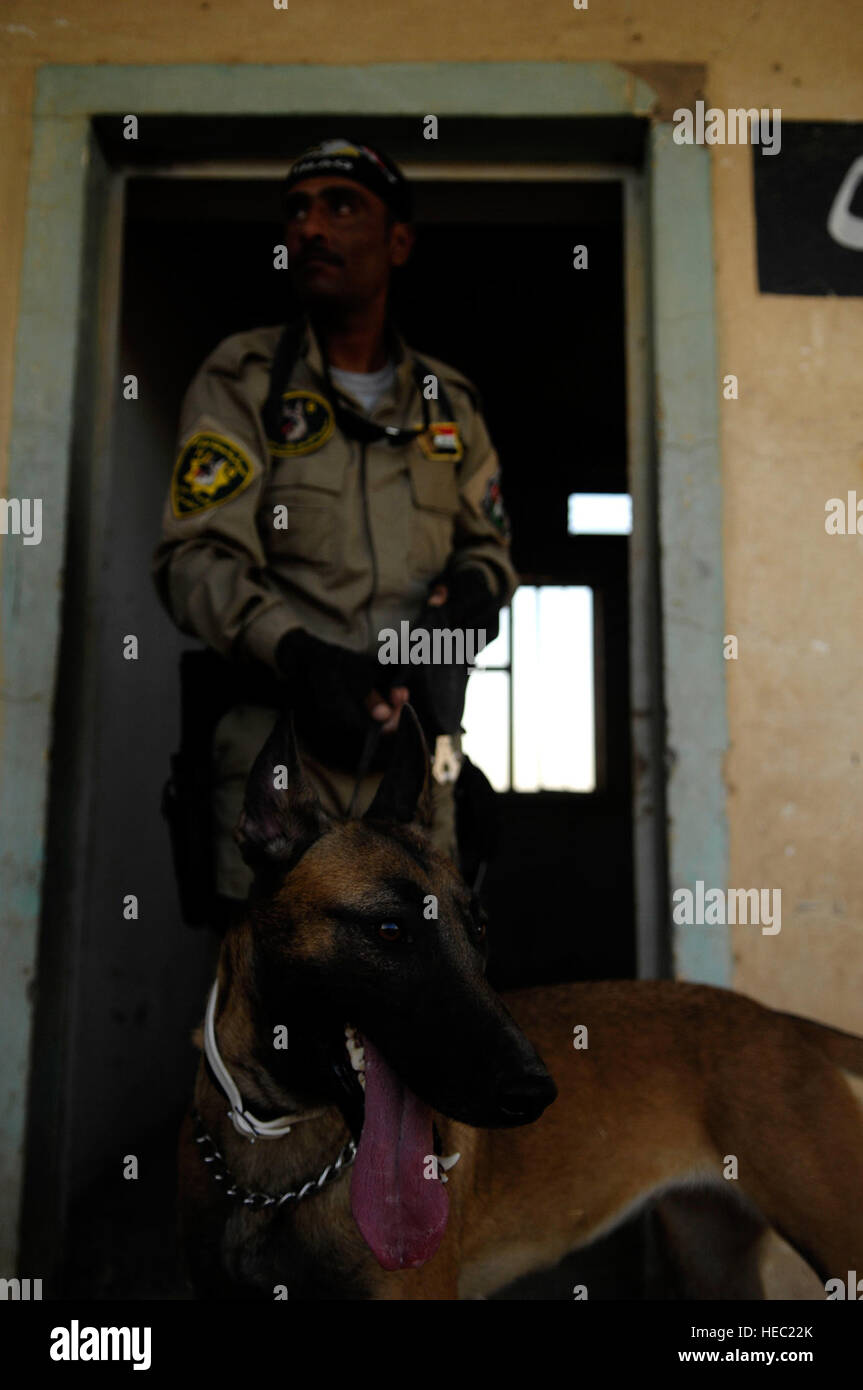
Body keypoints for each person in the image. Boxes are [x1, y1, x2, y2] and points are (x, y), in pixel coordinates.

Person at [152, 137, 517, 919]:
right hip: (278, 763)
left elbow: (488, 556)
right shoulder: (242, 378)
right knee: (268, 1011)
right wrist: (298, 654)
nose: (310, 228)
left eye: (341, 207)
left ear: (397, 242)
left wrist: (448, 624)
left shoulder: (448, 402)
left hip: (415, 765)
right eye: (297, 211)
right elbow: (194, 556)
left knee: (418, 995)